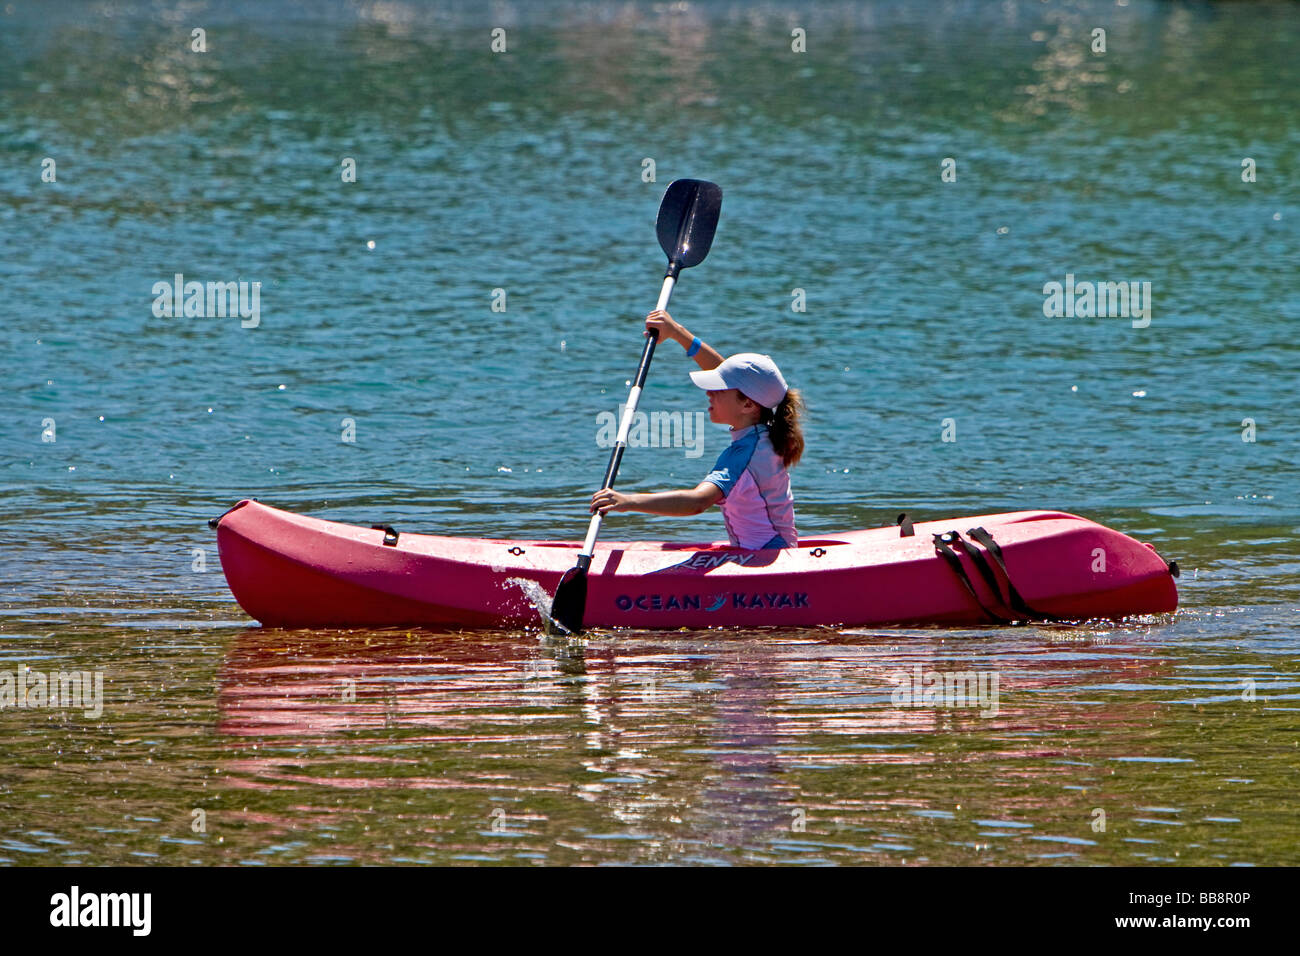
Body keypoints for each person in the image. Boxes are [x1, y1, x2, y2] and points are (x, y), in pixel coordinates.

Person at [588, 309, 804, 550]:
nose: (709, 393)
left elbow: (698, 502)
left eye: (718, 389)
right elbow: (732, 374)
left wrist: (627, 501)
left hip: (766, 563)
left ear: (747, 404)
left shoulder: (742, 456)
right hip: (776, 549)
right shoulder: (767, 429)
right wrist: (677, 333)